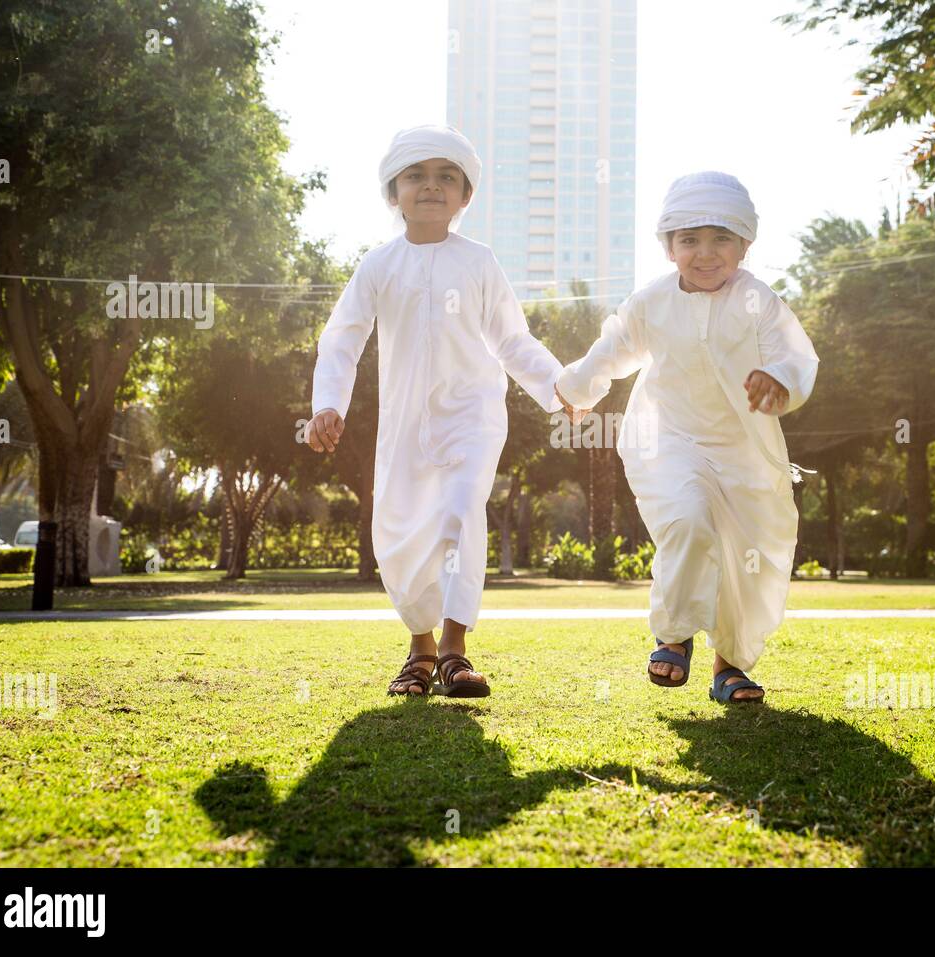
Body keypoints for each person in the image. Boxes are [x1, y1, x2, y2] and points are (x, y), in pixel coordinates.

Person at [307, 124, 574, 698]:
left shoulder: (479, 262)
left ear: (465, 196)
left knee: (458, 513)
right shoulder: (377, 264)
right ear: (392, 192)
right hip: (402, 422)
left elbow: (512, 339)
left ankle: (453, 651)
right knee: (401, 528)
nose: (431, 187)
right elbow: (342, 339)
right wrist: (327, 404)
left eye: (446, 177)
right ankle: (419, 648)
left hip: (471, 415)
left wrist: (559, 386)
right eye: (416, 176)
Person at [555, 171, 819, 703]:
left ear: (744, 244)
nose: (705, 252)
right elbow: (612, 350)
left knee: (750, 557)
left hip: (746, 447)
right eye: (689, 239)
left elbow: (793, 355)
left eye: (721, 237)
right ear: (670, 247)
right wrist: (579, 387)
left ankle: (731, 668)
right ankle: (673, 634)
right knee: (688, 518)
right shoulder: (651, 301)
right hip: (667, 437)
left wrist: (780, 382)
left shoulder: (759, 300)